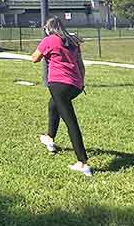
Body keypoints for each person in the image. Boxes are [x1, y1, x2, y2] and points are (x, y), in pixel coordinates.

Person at [31, 17, 91, 176]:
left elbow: (34, 58)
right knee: (53, 105)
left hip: (59, 85)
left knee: (71, 122)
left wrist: (46, 50)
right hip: (75, 85)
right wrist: (81, 82)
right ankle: (49, 138)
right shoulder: (73, 41)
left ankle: (82, 162)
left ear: (49, 29)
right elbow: (80, 65)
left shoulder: (49, 40)